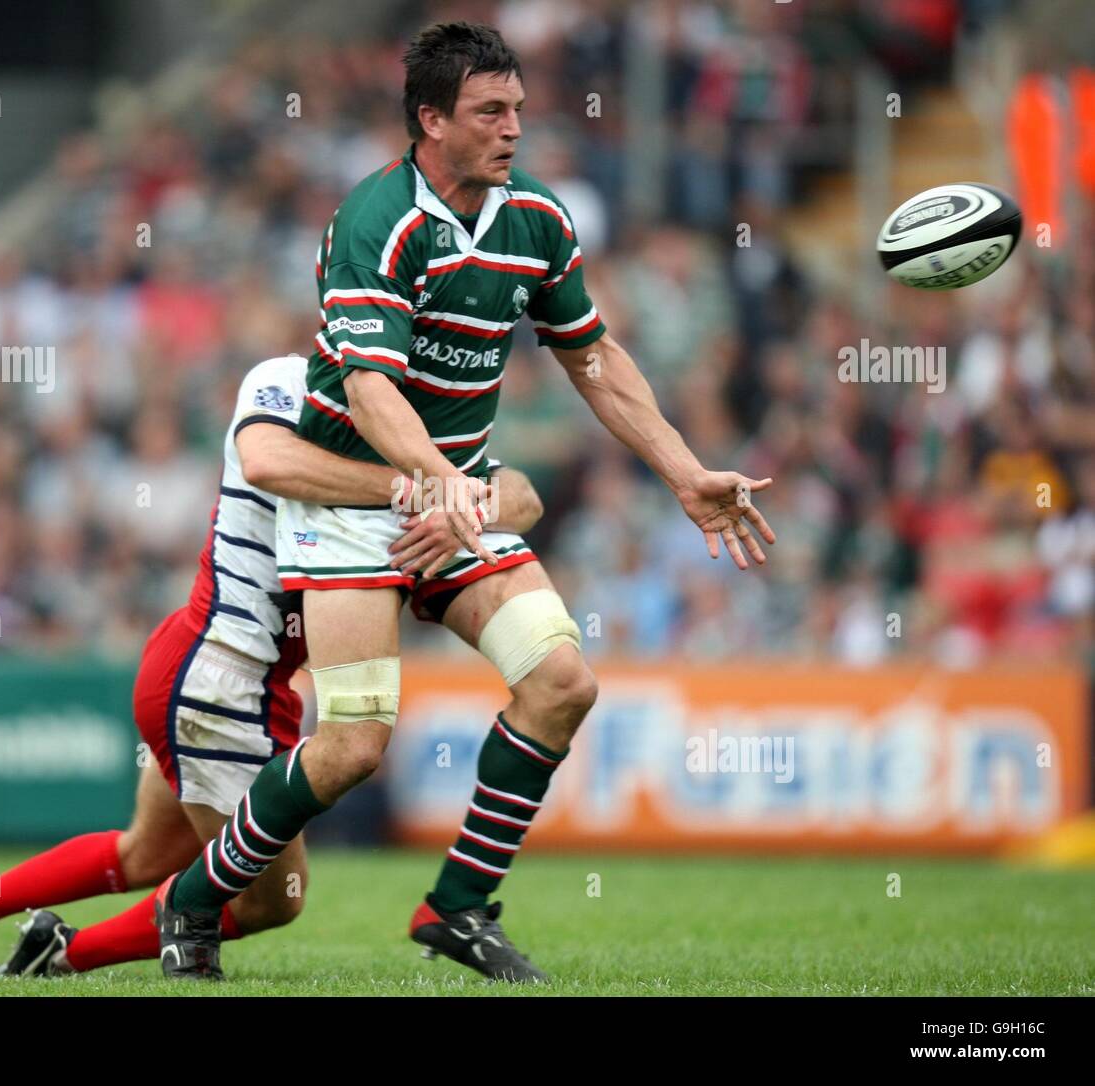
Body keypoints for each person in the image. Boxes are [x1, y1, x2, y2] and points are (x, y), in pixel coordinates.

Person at [157, 22, 775, 984]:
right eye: (491, 111)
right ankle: (193, 902)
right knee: (355, 746)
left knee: (563, 684)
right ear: (431, 120)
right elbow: (368, 388)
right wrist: (441, 486)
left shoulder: (538, 220)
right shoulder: (375, 219)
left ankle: (456, 908)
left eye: (519, 108)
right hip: (353, 503)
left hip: (453, 495)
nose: (514, 128)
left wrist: (684, 468)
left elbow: (594, 359)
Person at [0, 353, 543, 976]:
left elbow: (523, 496)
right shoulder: (288, 381)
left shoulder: (418, 415)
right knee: (271, 899)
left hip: (219, 670)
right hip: (221, 675)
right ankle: (63, 957)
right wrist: (419, 490)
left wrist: (466, 499)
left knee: (148, 851)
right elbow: (265, 460)